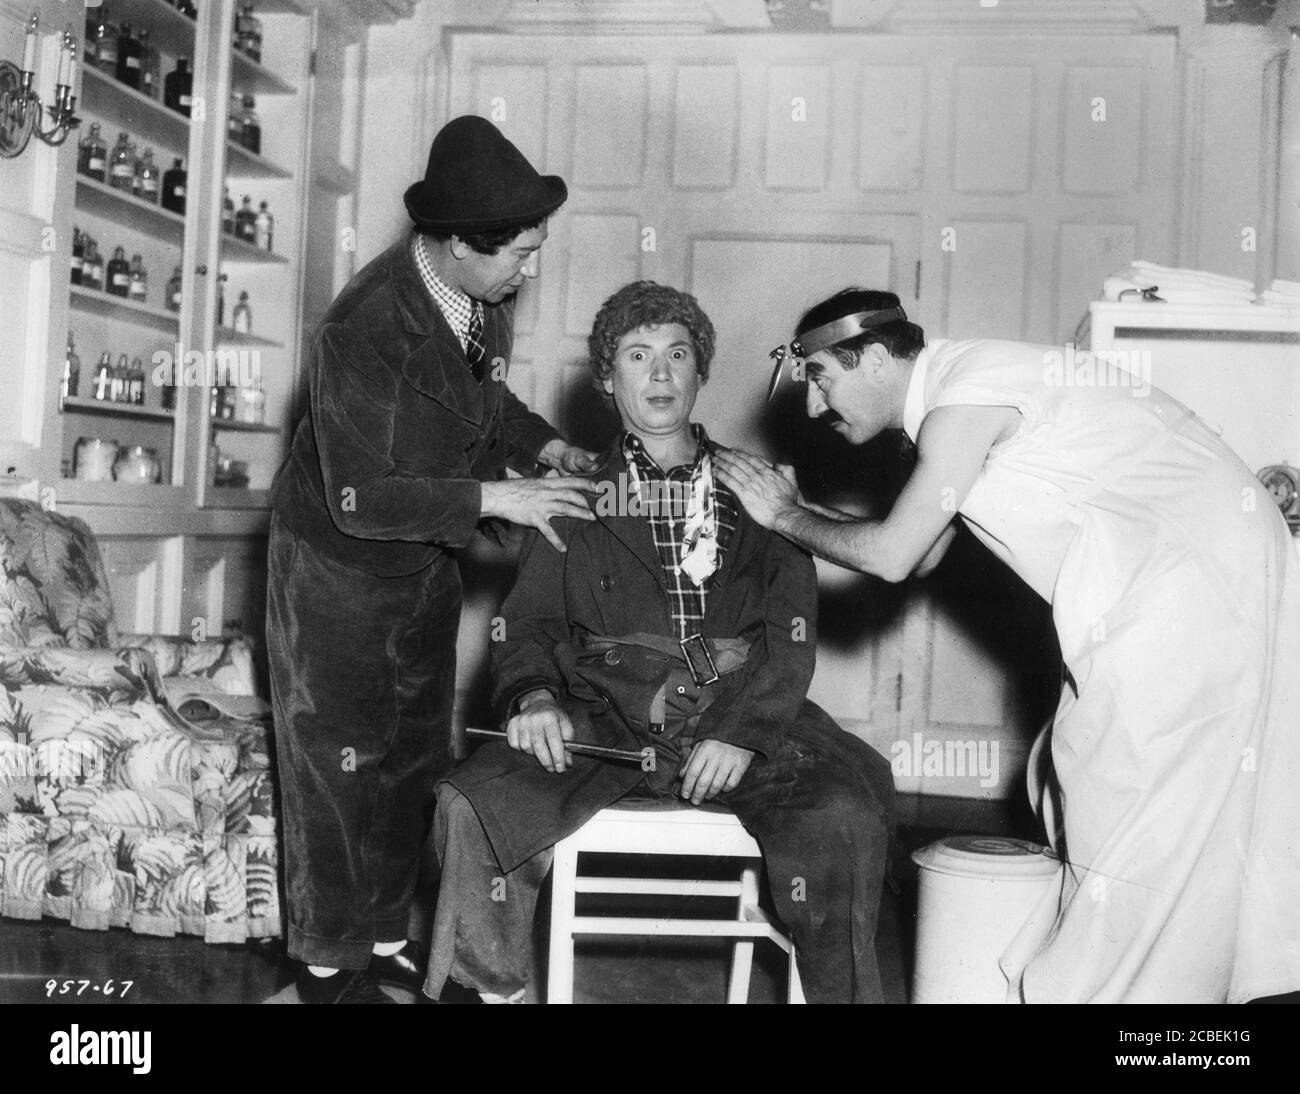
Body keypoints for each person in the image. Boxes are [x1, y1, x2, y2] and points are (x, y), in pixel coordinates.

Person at [715, 287, 1300, 1004]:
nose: (814, 408)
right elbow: (924, 553)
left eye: (821, 379)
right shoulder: (963, 394)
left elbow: (895, 554)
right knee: (1080, 795)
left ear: (870, 358)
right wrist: (793, 515)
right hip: (1204, 577)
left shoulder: (964, 400)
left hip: (1189, 593)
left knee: (1135, 824)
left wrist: (783, 513)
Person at [422, 281, 895, 1004]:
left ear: (702, 371)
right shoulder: (575, 496)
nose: (662, 374)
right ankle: (492, 994)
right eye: (638, 357)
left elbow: (789, 634)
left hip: (741, 713)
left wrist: (744, 731)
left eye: (678, 354)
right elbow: (529, 625)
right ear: (609, 383)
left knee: (844, 815)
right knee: (470, 805)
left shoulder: (760, 488)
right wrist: (535, 696)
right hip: (604, 716)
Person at [266, 115, 601, 1004]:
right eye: (519, 254)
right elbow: (360, 497)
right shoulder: (361, 329)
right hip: (336, 575)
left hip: (423, 567)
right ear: (455, 244)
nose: (529, 269)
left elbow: (482, 405)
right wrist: (500, 498)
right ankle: (327, 965)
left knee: (412, 762)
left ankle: (379, 938)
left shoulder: (477, 301)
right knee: (336, 768)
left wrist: (548, 445)